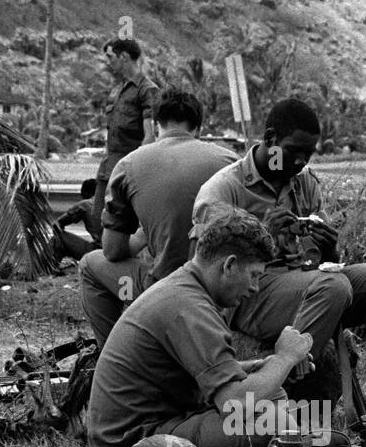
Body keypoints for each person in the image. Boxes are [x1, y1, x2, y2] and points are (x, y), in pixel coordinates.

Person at [192, 97, 366, 436]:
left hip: (305, 283)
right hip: (251, 294)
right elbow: (211, 271)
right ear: (270, 139)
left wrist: (329, 246)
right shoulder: (224, 189)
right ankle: (284, 393)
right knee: (333, 286)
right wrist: (262, 238)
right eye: (294, 151)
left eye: (309, 154)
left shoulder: (304, 182)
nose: (301, 161)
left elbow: (321, 261)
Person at [87, 210, 311, 447]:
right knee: (275, 422)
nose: (255, 288)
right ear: (228, 265)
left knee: (272, 397)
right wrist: (285, 357)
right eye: (253, 275)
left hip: (134, 433)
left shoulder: (186, 288)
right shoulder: (191, 307)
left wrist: (261, 366)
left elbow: (199, 372)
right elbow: (234, 403)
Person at [79, 88, 237, 347]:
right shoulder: (230, 160)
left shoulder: (128, 165)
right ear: (198, 127)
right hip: (224, 287)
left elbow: (113, 250)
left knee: (89, 266)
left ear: (154, 124)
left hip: (164, 287)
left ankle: (112, 352)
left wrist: (142, 235)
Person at [93, 38, 159, 236]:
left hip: (128, 165)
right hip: (108, 163)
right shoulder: (117, 90)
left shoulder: (147, 90)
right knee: (98, 219)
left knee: (120, 225)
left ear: (124, 57)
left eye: (111, 57)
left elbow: (150, 136)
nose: (108, 62)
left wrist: (136, 170)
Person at [52, 178, 101, 263]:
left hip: (100, 254)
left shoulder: (85, 204)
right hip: (121, 252)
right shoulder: (112, 201)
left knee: (57, 239)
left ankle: (44, 269)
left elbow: (57, 224)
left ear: (85, 194)